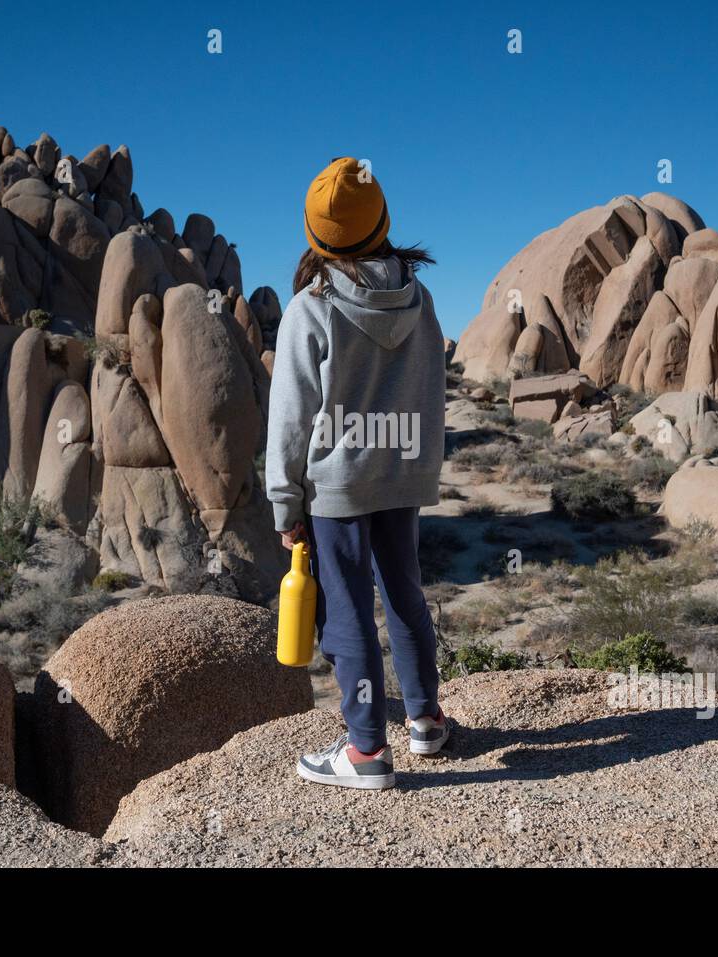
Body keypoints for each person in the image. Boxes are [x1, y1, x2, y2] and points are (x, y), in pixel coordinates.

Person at [265, 157, 450, 790]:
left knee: (345, 610)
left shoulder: (309, 310)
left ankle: (367, 752)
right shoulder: (419, 301)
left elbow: (290, 420)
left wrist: (285, 504)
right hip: (402, 476)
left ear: (315, 237)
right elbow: (431, 390)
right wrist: (421, 465)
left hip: (339, 484)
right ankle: (425, 721)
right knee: (404, 594)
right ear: (384, 224)